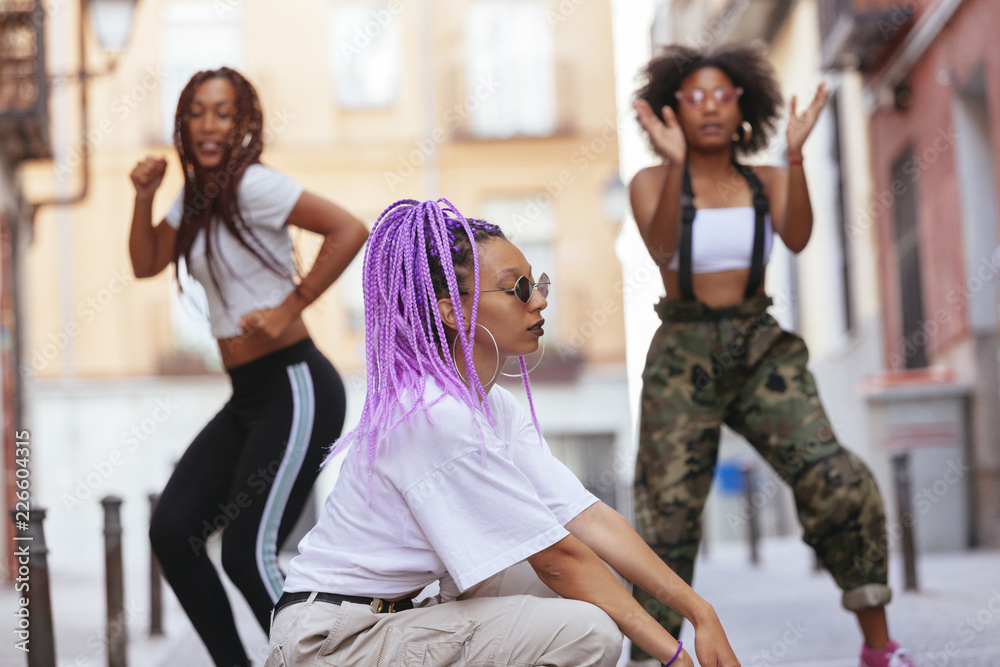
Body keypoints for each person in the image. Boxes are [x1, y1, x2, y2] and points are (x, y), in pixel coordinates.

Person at [265, 198, 741, 667]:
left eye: (537, 282)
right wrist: (675, 658)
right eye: (518, 287)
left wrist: (701, 612)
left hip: (384, 623)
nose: (539, 299)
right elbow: (559, 559)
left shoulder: (493, 407)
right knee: (587, 633)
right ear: (453, 312)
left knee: (603, 574)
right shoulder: (433, 416)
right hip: (331, 645)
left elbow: (587, 520)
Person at [628, 43, 914, 667]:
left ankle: (880, 647)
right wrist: (676, 166)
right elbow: (662, 251)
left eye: (722, 95)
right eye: (693, 96)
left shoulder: (770, 178)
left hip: (760, 349)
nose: (708, 107)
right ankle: (654, 657)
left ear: (742, 108)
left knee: (836, 479)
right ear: (670, 108)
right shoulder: (651, 181)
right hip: (682, 355)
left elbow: (800, 235)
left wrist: (794, 154)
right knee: (666, 515)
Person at [127, 67, 368, 667]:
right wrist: (142, 196)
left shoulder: (254, 185)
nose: (209, 124)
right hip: (249, 397)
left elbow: (348, 228)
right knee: (173, 530)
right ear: (183, 122)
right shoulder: (196, 196)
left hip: (296, 385)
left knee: (246, 552)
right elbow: (145, 262)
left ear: (244, 125)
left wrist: (291, 306)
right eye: (197, 112)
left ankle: (323, 661)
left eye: (224, 112)